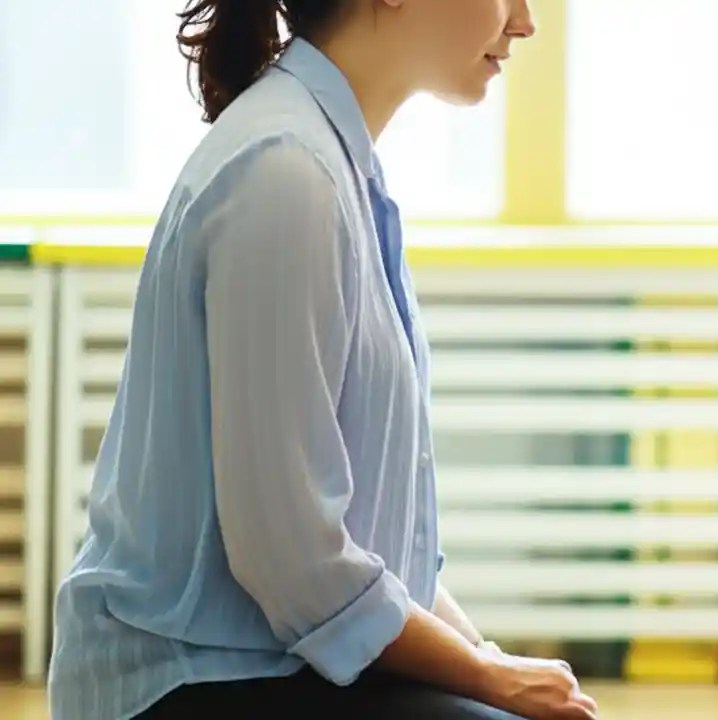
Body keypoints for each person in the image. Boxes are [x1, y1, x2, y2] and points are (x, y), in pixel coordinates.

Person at [47, 2, 598, 719]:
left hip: (268, 668)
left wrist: (491, 666)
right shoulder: (285, 174)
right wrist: (490, 679)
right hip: (192, 685)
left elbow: (367, 555)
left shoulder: (330, 163)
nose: (524, 21)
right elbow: (294, 563)